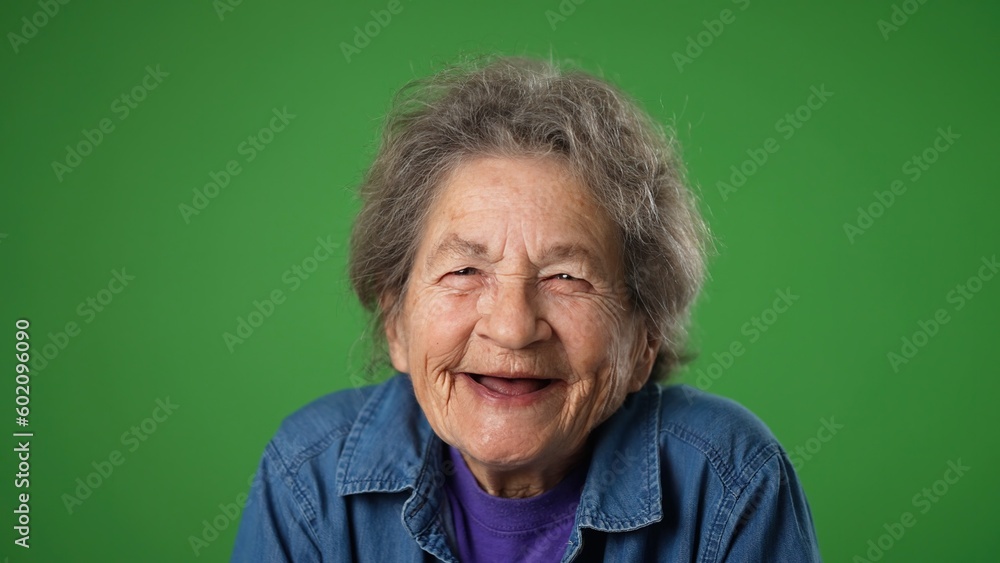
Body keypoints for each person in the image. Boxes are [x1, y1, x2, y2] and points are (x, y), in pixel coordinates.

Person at [231, 55, 822, 562]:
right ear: (396, 324)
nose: (512, 329)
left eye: (566, 277)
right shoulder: (308, 473)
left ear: (643, 341)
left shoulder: (731, 480)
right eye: (464, 271)